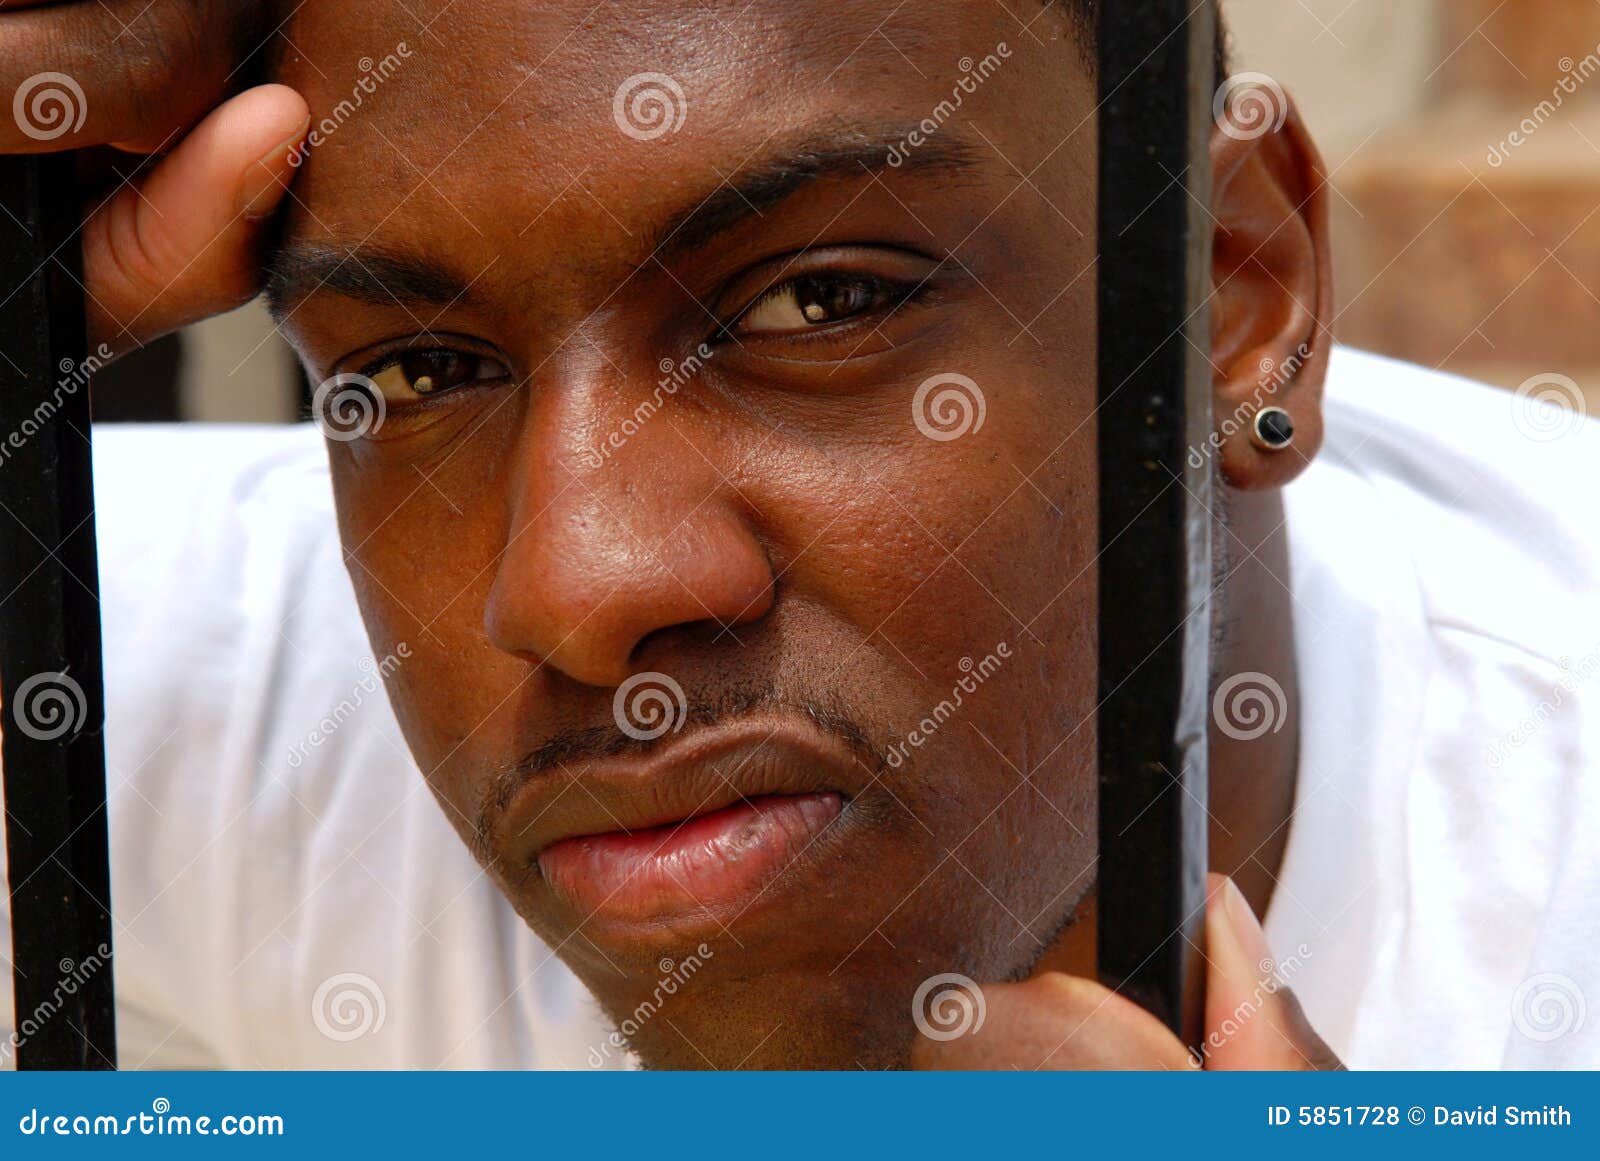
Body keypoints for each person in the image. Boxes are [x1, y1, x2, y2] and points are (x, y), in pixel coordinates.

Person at [1, 0, 1595, 1069]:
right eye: (419, 370)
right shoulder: (159, 678)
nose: (577, 587)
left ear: (1239, 288)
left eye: (821, 300)